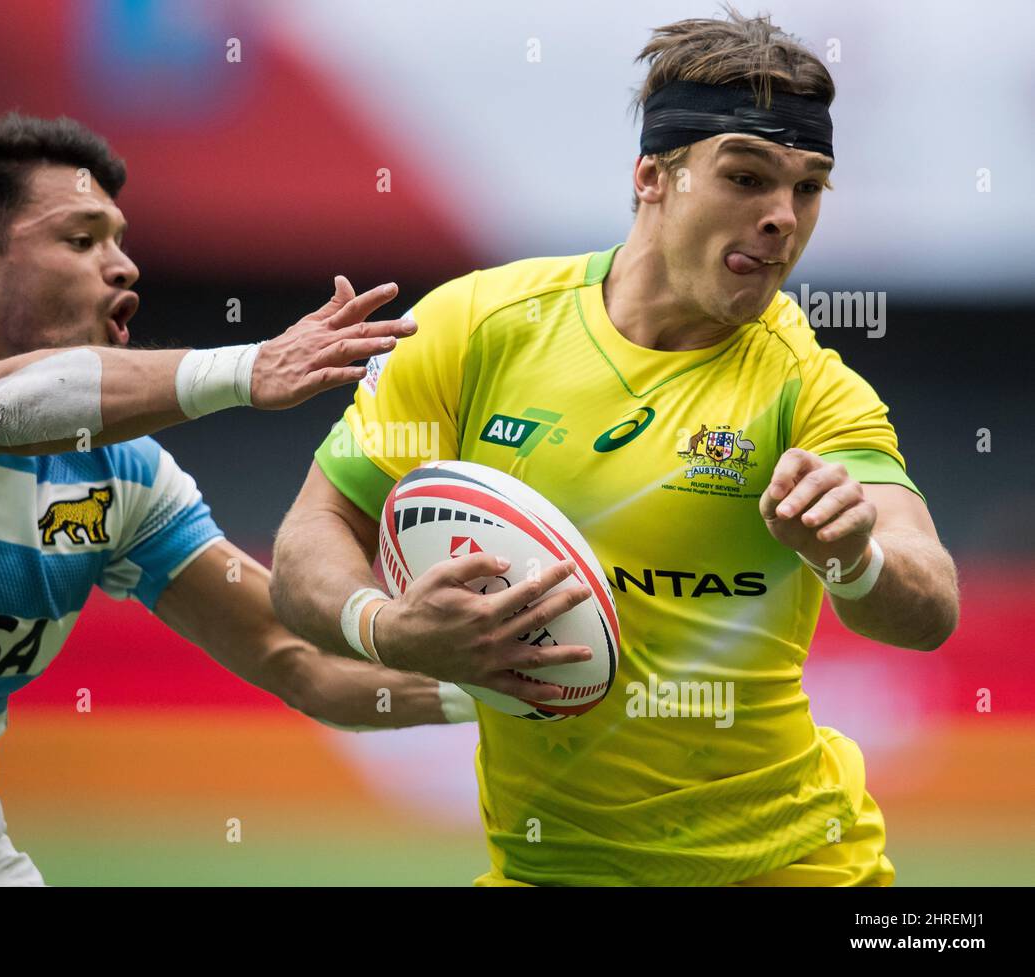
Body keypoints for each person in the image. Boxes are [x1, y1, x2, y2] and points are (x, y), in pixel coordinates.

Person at [269, 9, 960, 886]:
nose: (782, 217)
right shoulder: (477, 329)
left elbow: (928, 601)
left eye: (809, 187)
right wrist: (388, 627)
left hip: (789, 865)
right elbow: (311, 536)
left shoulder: (810, 388)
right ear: (651, 176)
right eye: (746, 177)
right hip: (543, 869)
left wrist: (856, 556)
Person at [0, 113, 474, 886]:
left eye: (120, 240)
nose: (123, 267)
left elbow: (295, 656)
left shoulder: (122, 476)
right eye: (82, 239)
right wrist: (247, 367)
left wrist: (495, 683)